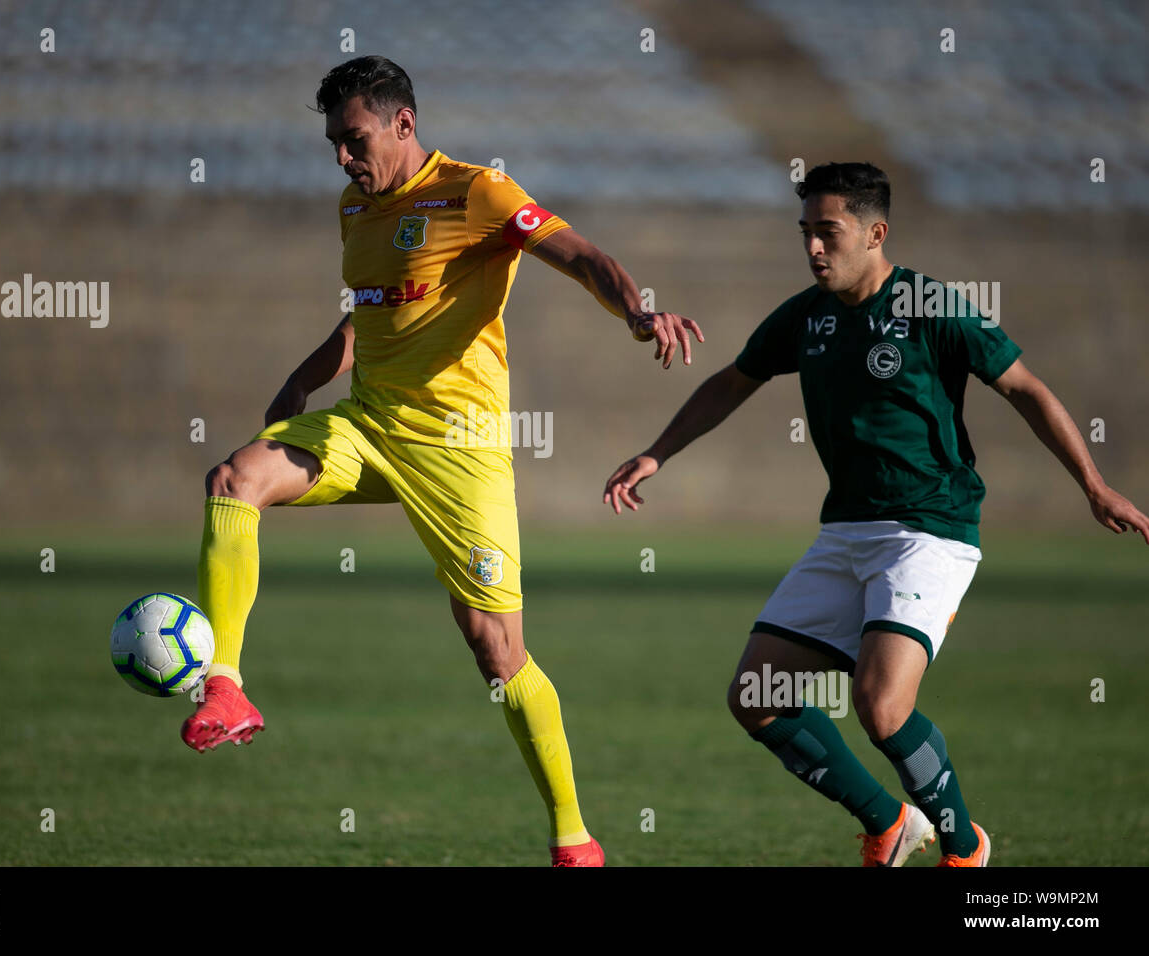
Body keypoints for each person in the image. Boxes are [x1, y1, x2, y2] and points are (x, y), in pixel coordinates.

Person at [183, 56, 703, 866]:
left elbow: (581, 256)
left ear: (403, 124)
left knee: (496, 650)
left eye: (354, 140)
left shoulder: (477, 193)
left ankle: (574, 839)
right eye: (332, 145)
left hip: (461, 452)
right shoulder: (355, 208)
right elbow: (368, 321)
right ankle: (225, 684)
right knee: (233, 481)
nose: (343, 159)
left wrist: (638, 312)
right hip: (368, 424)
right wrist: (299, 379)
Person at [603, 162, 1147, 866]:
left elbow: (1027, 389)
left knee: (880, 706)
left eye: (827, 232)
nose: (813, 249)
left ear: (875, 232)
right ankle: (889, 823)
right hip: (845, 532)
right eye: (805, 233)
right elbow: (733, 381)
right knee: (755, 696)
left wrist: (1094, 485)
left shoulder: (929, 305)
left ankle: (962, 848)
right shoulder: (808, 315)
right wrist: (657, 453)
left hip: (930, 531)